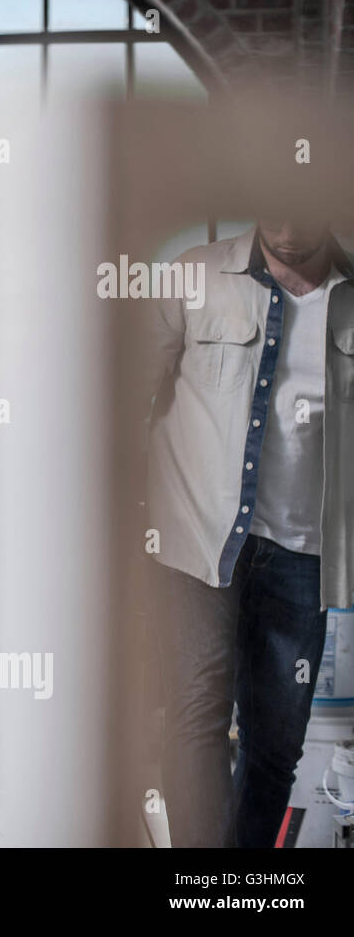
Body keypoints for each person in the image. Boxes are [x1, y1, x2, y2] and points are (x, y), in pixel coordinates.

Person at [141, 219, 354, 846]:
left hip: (304, 551)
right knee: (195, 722)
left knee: (276, 745)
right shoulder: (192, 276)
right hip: (196, 542)